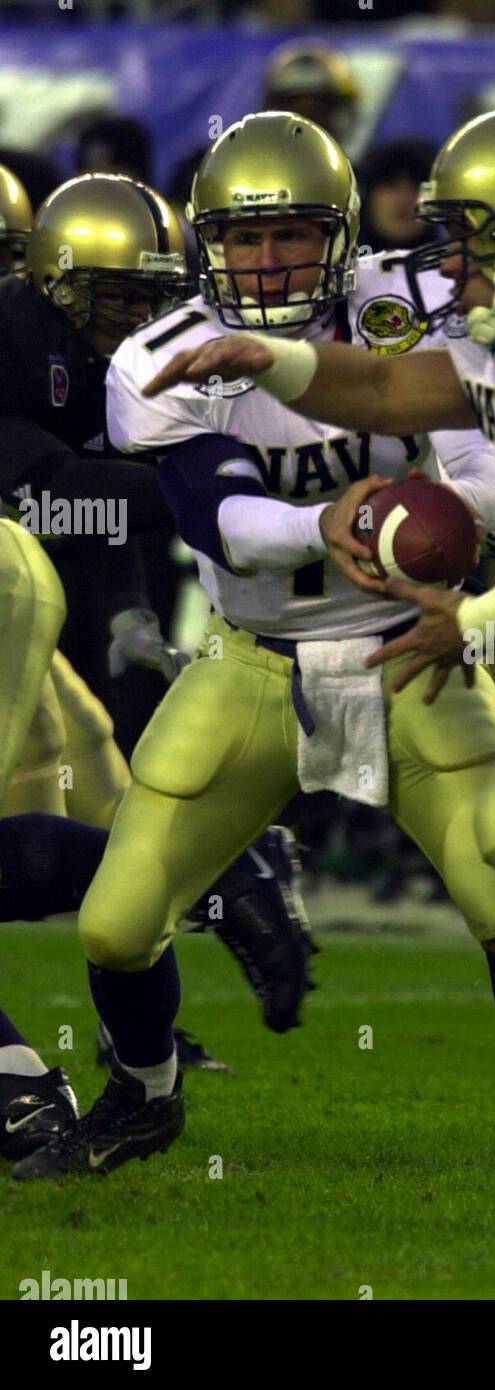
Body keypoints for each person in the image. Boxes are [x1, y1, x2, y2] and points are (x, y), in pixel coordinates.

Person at [13, 112, 495, 1203]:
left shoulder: (415, 304)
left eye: (291, 234)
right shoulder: (161, 353)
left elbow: (486, 461)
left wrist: (455, 519)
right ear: (206, 246)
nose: (268, 259)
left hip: (410, 655)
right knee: (115, 920)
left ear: (336, 238)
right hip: (254, 661)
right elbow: (220, 522)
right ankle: (143, 1094)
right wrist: (342, 520)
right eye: (244, 240)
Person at [0, 176, 316, 1148]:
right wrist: (204, 490)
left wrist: (142, 592)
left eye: (150, 295)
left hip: (12, 581)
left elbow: (66, 506)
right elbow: (49, 489)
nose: (137, 318)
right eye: (116, 295)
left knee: (86, 765)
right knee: (82, 762)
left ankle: (49, 1073)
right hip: (18, 571)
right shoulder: (16, 338)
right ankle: (219, 876)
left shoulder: (117, 357)